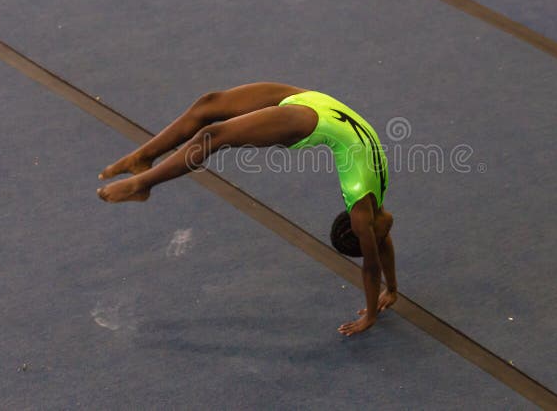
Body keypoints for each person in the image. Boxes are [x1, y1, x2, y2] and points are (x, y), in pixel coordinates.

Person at [97, 82, 397, 336]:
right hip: (311, 103)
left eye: (376, 240)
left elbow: (373, 264)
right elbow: (375, 261)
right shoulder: (370, 208)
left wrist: (371, 312)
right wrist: (390, 292)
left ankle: (142, 184)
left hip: (312, 116)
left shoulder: (365, 210)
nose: (385, 238)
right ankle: (142, 159)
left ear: (364, 232)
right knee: (208, 105)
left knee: (212, 137)